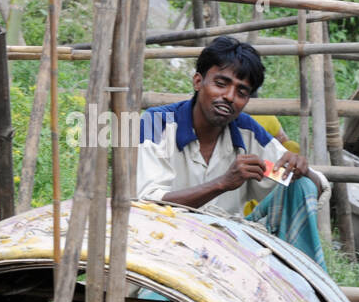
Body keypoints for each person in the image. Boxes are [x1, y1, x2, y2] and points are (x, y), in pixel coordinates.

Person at [137, 36, 330, 268]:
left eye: (241, 92)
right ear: (198, 82)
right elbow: (149, 205)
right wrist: (223, 183)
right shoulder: (156, 124)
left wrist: (301, 169)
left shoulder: (248, 132)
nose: (229, 96)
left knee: (300, 184)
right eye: (221, 83)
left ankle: (302, 283)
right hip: (165, 246)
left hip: (228, 252)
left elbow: (315, 188)